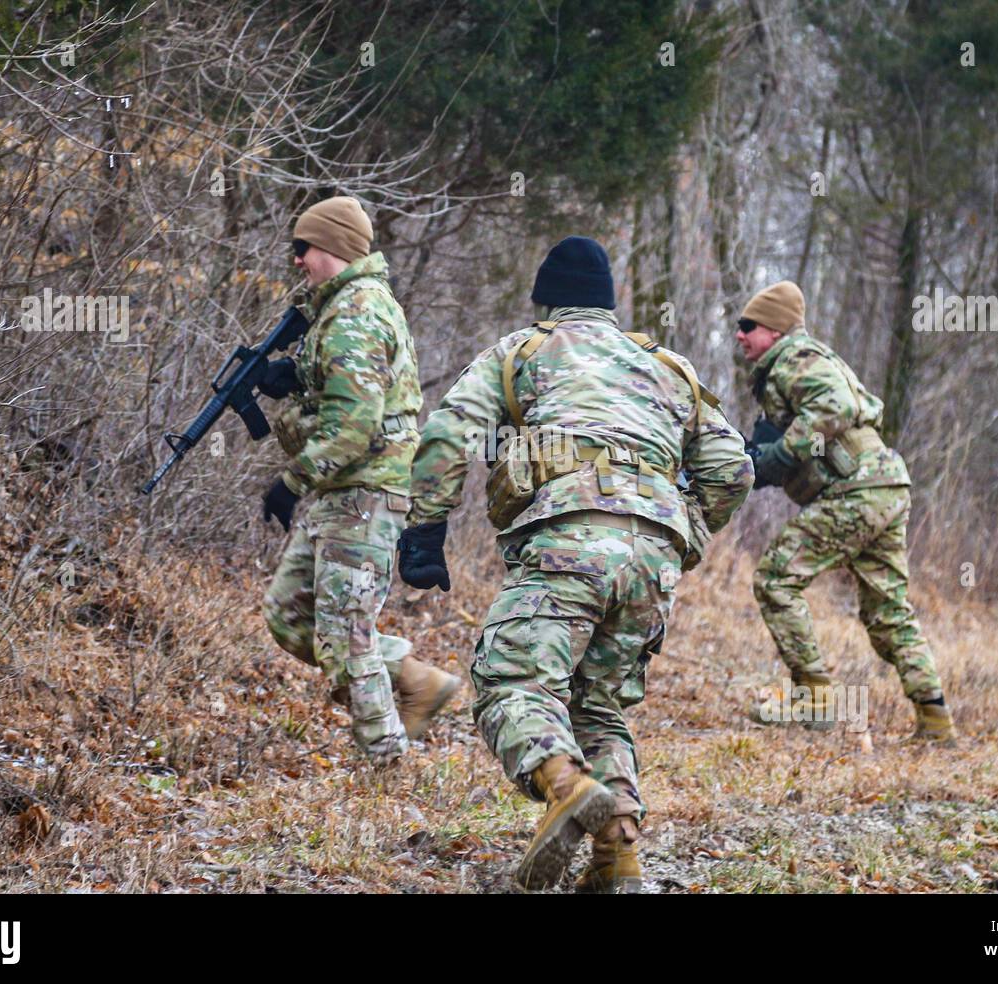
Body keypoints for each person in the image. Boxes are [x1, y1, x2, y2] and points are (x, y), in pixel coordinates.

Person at [397, 236, 753, 891]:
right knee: (599, 704)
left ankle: (564, 786)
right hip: (652, 559)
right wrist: (681, 531)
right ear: (609, 306)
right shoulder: (668, 366)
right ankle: (618, 859)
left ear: (546, 303)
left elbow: (450, 432)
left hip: (569, 538)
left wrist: (424, 529)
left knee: (512, 680)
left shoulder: (525, 350)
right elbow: (732, 468)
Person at [260, 195, 460, 766]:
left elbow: (354, 425)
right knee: (289, 615)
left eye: (304, 248)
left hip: (364, 494)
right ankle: (416, 678)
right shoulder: (339, 310)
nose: (296, 259)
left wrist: (291, 481)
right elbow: (339, 398)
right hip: (341, 492)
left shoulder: (356, 313)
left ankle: (386, 762)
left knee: (347, 636)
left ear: (335, 249)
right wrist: (293, 378)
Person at [736, 280, 955, 743]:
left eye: (748, 326)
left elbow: (836, 405)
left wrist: (782, 455)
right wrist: (760, 460)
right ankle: (935, 719)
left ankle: (815, 696)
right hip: (883, 487)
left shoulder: (796, 359)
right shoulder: (788, 365)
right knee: (886, 611)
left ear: (774, 330)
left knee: (775, 579)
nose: (740, 335)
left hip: (857, 492)